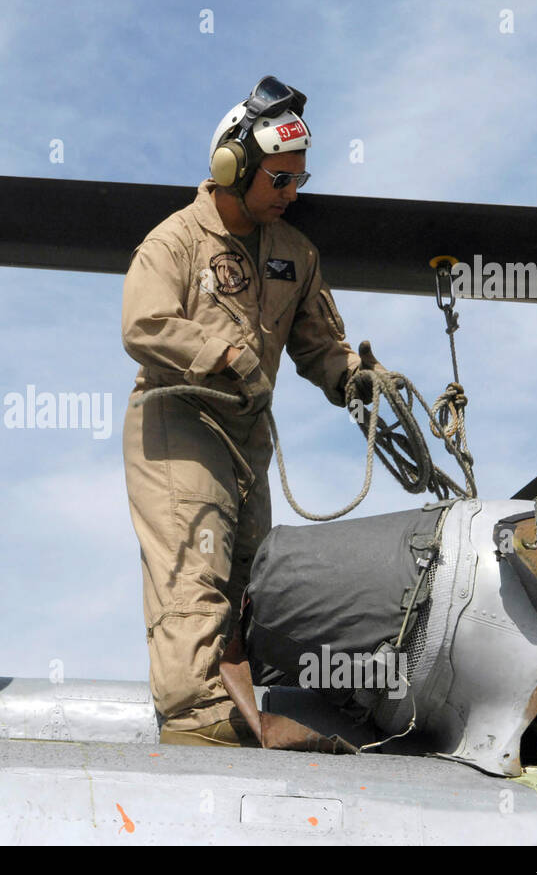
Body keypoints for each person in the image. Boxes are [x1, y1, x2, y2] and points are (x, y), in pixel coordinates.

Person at [121, 76, 379, 747]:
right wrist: (222, 351)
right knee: (195, 567)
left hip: (247, 440)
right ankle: (196, 718)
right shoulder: (175, 241)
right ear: (232, 167)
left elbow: (321, 345)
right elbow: (142, 325)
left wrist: (357, 380)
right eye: (279, 181)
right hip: (179, 424)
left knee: (250, 582)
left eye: (299, 181)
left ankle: (240, 711)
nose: (292, 196)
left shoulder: (297, 253)